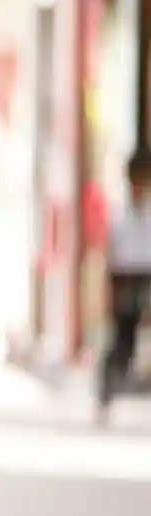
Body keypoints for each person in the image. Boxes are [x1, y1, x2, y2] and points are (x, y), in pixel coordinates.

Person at [97, 167, 151, 424]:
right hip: (126, 278)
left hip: (146, 276)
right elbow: (111, 253)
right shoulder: (120, 213)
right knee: (122, 338)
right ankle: (107, 393)